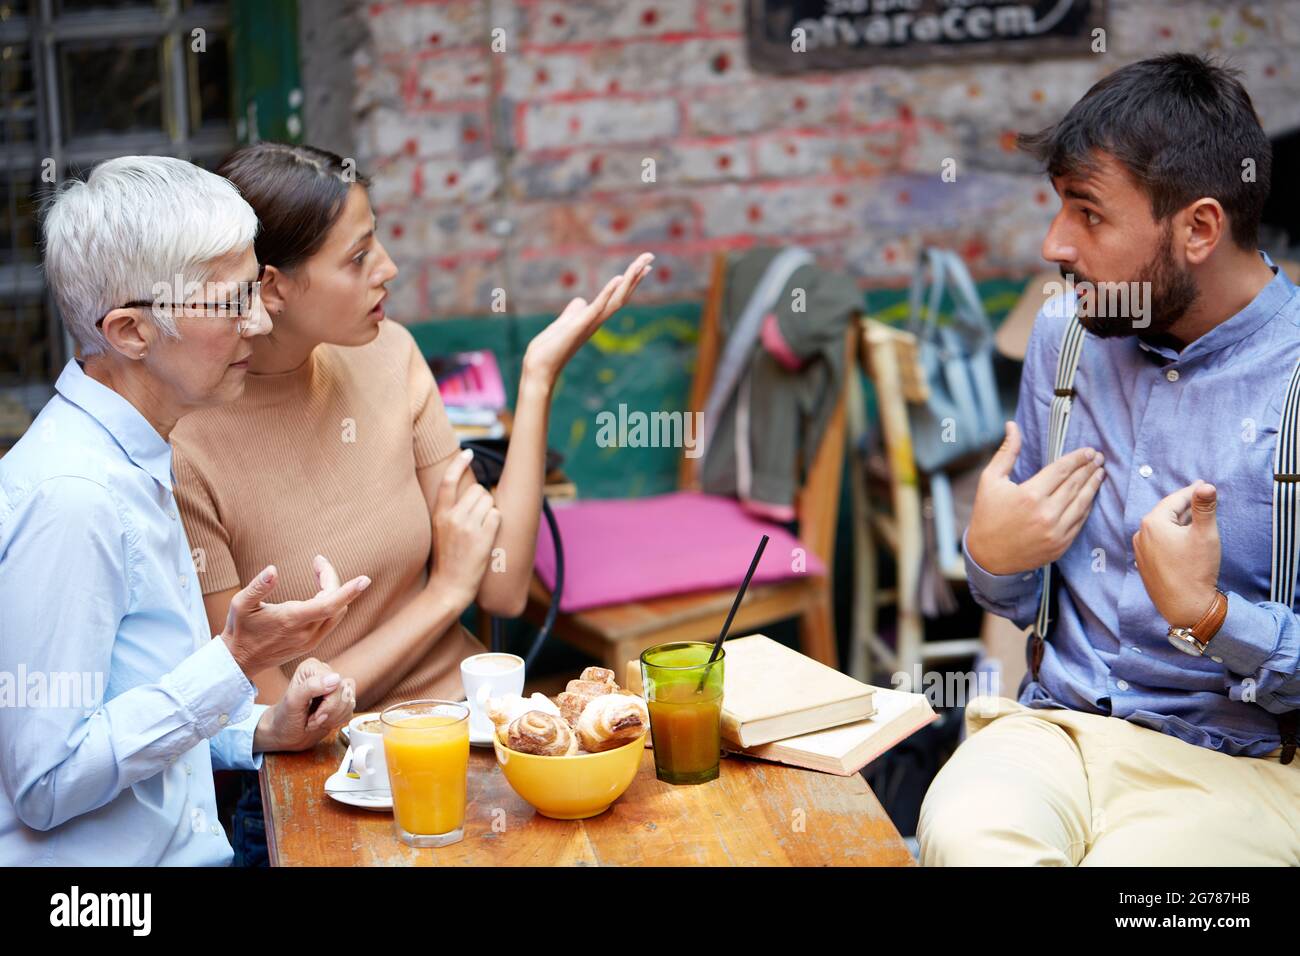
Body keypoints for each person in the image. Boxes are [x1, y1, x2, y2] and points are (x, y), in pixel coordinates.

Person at [919, 53, 1300, 866]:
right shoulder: (1064, 341)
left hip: (1237, 768)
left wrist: (1213, 618)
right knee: (963, 841)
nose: (1056, 243)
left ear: (1199, 228)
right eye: (1060, 208)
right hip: (1052, 735)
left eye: (1088, 215)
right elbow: (1014, 599)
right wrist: (991, 555)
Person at [171, 142, 651, 711]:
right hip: (338, 768)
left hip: (476, 719)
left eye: (376, 239)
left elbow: (501, 585)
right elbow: (275, 712)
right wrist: (445, 594)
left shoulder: (390, 354)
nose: (388, 269)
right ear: (272, 288)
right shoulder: (185, 448)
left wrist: (538, 377)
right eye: (358, 257)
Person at [0, 156, 370, 866]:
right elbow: (46, 782)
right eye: (230, 302)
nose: (258, 321)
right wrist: (235, 660)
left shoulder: (135, 452)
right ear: (131, 331)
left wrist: (262, 729)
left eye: (255, 291)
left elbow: (138, 709)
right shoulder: (74, 499)